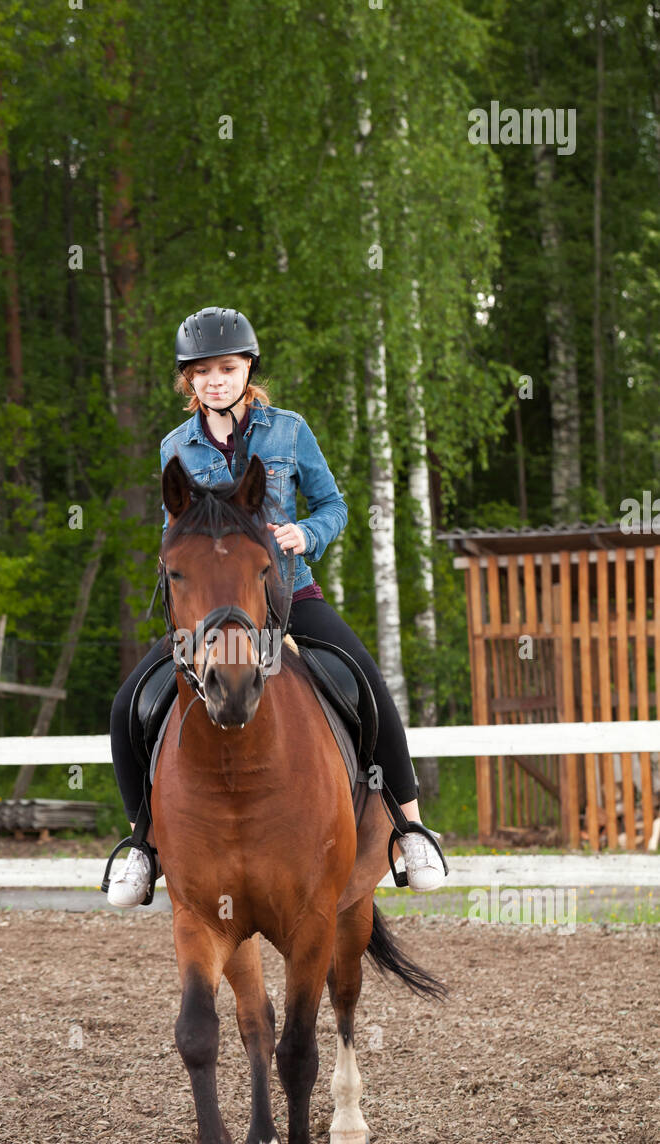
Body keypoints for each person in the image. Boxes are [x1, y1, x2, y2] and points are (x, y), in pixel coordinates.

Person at [106, 305, 446, 906]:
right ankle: (142, 844)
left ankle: (410, 828)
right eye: (203, 371)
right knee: (127, 703)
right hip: (211, 610)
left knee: (366, 681)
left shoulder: (289, 431)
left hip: (289, 594)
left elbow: (334, 506)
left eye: (228, 368)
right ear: (189, 380)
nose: (216, 380)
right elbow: (174, 527)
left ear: (247, 370)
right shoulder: (173, 448)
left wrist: (304, 535)